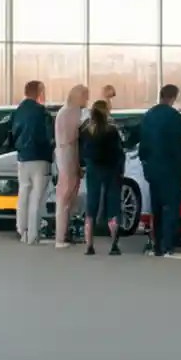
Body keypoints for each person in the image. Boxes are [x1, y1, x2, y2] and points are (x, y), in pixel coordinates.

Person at [140, 84, 181, 260]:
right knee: (171, 207)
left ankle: (157, 246)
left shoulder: (148, 116)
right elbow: (179, 144)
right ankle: (169, 246)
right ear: (173, 97)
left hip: (153, 168)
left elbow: (143, 144)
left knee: (157, 208)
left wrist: (145, 164)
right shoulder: (173, 116)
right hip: (170, 168)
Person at [11, 80, 54, 245]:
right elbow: (47, 136)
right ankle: (33, 233)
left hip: (23, 157)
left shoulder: (18, 111)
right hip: (40, 157)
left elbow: (12, 134)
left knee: (23, 192)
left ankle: (22, 230)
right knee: (37, 197)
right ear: (39, 92)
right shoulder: (41, 112)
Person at [81, 100, 125, 256]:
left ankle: (89, 246)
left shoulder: (86, 130)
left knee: (91, 206)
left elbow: (82, 152)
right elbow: (119, 152)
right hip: (111, 170)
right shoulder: (112, 130)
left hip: (93, 170)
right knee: (113, 205)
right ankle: (114, 245)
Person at [53, 85, 89, 249]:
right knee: (66, 196)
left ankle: (63, 234)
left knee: (65, 197)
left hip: (63, 154)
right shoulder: (72, 112)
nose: (86, 100)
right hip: (68, 155)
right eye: (85, 96)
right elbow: (73, 138)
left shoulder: (63, 111)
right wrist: (78, 166)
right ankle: (62, 236)